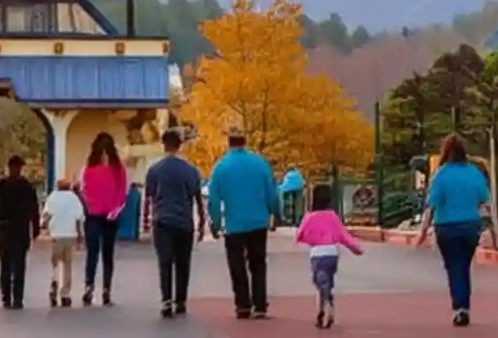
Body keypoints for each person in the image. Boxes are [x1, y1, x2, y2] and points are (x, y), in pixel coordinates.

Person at [415, 134, 498, 328]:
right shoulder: (474, 173)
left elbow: (430, 207)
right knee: (464, 266)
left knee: (454, 267)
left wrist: (422, 233)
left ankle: (460, 308)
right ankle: (463, 306)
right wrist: (497, 232)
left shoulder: (441, 175)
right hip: (471, 226)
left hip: (446, 227)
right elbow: (488, 203)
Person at [207, 128, 280, 320]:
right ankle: (260, 304)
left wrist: (215, 223)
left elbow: (214, 199)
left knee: (236, 264)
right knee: (258, 263)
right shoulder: (260, 163)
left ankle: (243, 305)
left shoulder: (221, 167)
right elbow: (272, 191)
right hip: (258, 221)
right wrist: (275, 213)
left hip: (234, 224)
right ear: (245, 141)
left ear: (229, 143)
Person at [142, 129, 206, 318]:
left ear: (164, 145)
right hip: (184, 221)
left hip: (162, 221)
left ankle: (166, 301)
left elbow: (149, 198)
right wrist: (202, 222)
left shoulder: (154, 170)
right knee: (183, 263)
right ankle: (181, 301)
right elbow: (197, 199)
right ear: (180, 146)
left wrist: (146, 221)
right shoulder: (191, 170)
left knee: (165, 262)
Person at [295, 184, 364, 330]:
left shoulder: (309, 217)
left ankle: (326, 304)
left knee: (319, 280)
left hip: (317, 253)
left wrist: (311, 239)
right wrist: (356, 249)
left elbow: (299, 235)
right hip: (332, 253)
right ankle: (324, 306)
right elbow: (344, 236)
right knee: (327, 280)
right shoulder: (333, 216)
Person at [78, 131, 128, 307]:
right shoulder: (118, 168)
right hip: (110, 215)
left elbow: (82, 190)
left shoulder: (88, 167)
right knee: (108, 253)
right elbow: (123, 191)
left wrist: (89, 206)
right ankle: (106, 290)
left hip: (92, 215)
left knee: (92, 253)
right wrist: (115, 209)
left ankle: (89, 286)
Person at [0, 155, 40, 309]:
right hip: (19, 230)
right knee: (17, 266)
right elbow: (34, 210)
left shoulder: (3, 186)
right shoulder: (26, 187)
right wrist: (35, 229)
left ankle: (8, 297)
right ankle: (15, 297)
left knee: (7, 265)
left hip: (8, 230)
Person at [42, 177, 85, 308]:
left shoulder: (52, 198)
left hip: (56, 236)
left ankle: (54, 283)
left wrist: (44, 225)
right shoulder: (74, 199)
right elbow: (79, 218)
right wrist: (80, 235)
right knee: (68, 265)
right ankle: (65, 294)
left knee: (55, 263)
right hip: (70, 235)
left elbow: (47, 215)